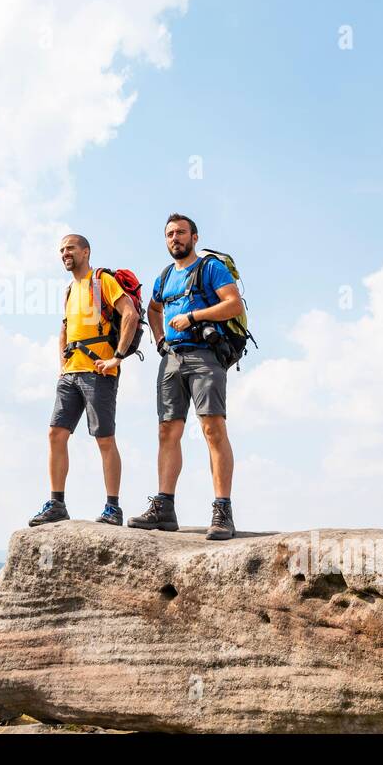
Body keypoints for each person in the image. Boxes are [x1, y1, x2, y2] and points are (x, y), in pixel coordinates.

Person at [128, 214, 243, 540]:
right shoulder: (164, 277)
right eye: (169, 234)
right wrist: (159, 338)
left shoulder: (209, 268)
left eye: (180, 233)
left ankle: (223, 511)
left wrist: (193, 316)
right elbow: (152, 309)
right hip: (172, 359)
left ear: (194, 237)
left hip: (206, 356)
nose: (174, 238)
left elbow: (232, 304)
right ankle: (164, 507)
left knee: (212, 428)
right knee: (167, 431)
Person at [29, 234, 139, 528]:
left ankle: (112, 507)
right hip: (71, 372)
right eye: (62, 249)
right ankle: (56, 503)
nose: (65, 253)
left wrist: (117, 356)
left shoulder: (101, 280)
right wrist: (61, 366)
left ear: (86, 252)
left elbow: (130, 314)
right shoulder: (69, 290)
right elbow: (64, 328)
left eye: (71, 248)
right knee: (56, 434)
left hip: (99, 371)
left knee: (104, 439)